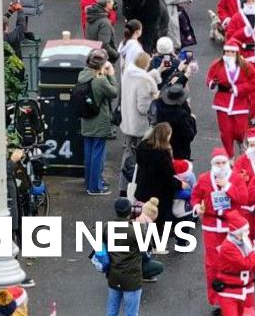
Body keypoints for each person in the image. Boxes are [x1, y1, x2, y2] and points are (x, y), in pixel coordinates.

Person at [134, 123, 181, 249]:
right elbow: (167, 178)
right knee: (159, 220)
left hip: (143, 189)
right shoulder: (162, 155)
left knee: (143, 216)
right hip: (160, 194)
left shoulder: (143, 147)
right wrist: (181, 184)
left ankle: (142, 241)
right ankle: (156, 244)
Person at [79, 49, 119, 196]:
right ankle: (95, 187)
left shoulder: (82, 74)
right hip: (99, 120)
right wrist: (111, 75)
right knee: (97, 153)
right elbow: (113, 92)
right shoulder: (100, 80)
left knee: (89, 152)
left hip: (86, 119)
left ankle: (89, 182)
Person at [119, 51, 156, 196]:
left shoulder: (129, 74)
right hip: (140, 126)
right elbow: (143, 108)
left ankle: (122, 189)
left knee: (127, 155)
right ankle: (138, 189)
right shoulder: (144, 80)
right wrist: (153, 98)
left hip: (128, 121)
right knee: (142, 159)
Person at [106, 198, 145, 316]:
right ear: (130, 211)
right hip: (132, 279)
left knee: (112, 311)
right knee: (131, 312)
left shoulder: (106, 227)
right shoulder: (135, 230)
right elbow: (148, 247)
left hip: (113, 276)